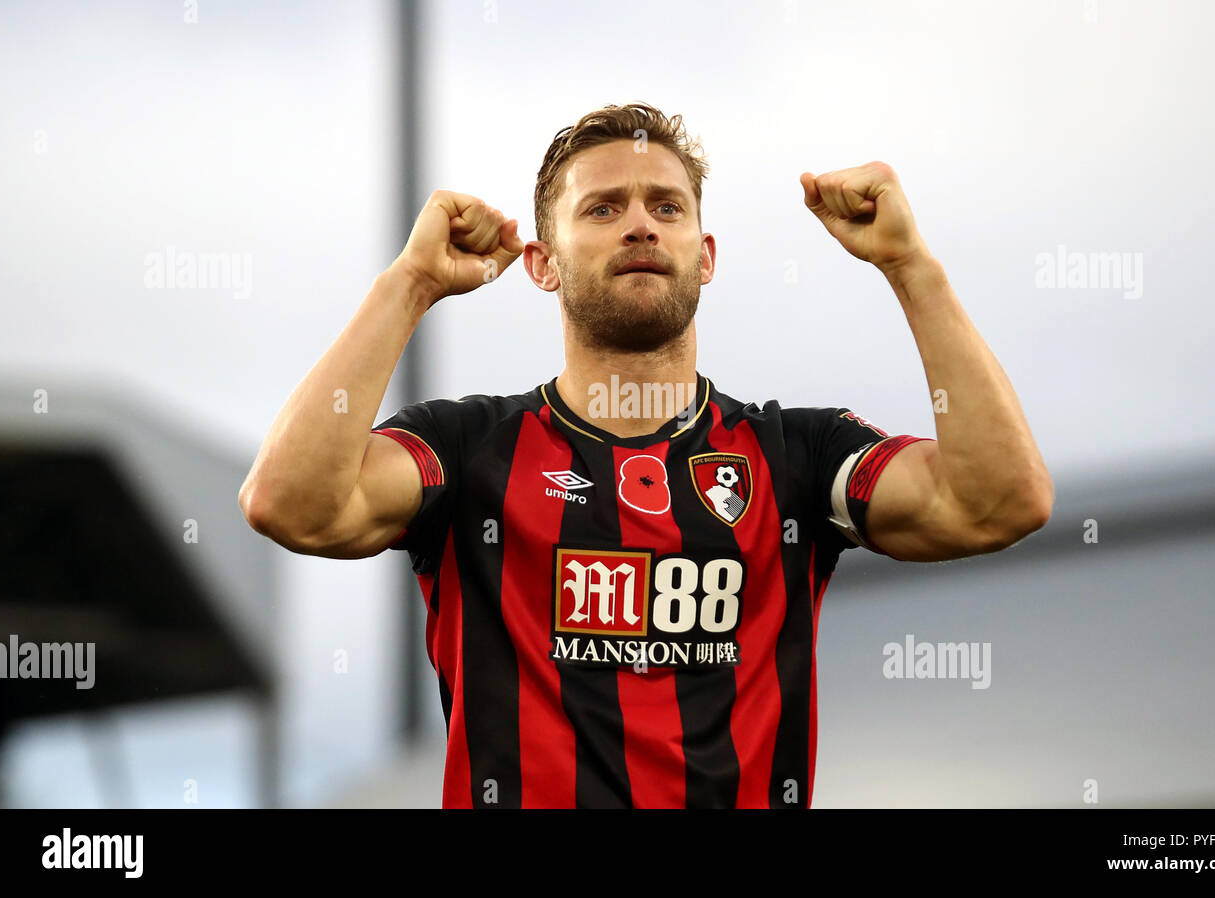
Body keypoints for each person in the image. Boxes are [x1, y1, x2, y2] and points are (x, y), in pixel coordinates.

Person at [239, 102, 1053, 808]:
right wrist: (410, 281)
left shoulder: (796, 455)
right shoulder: (467, 449)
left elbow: (999, 502)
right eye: (602, 209)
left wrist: (912, 267)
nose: (639, 223)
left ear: (704, 255)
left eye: (667, 207)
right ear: (541, 265)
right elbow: (292, 503)